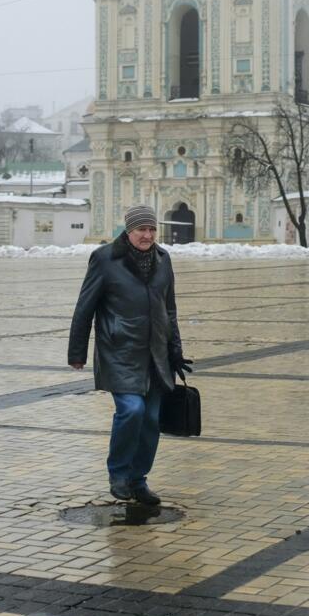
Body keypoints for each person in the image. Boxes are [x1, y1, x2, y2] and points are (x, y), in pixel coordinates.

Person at [67, 205, 192, 505]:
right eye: (141, 229)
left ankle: (138, 480)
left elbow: (169, 309)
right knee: (132, 410)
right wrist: (77, 351)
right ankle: (119, 474)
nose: (147, 235)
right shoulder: (105, 259)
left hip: (155, 354)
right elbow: (85, 307)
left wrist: (175, 351)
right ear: (128, 230)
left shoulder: (163, 259)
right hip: (119, 351)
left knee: (150, 419)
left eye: (151, 229)